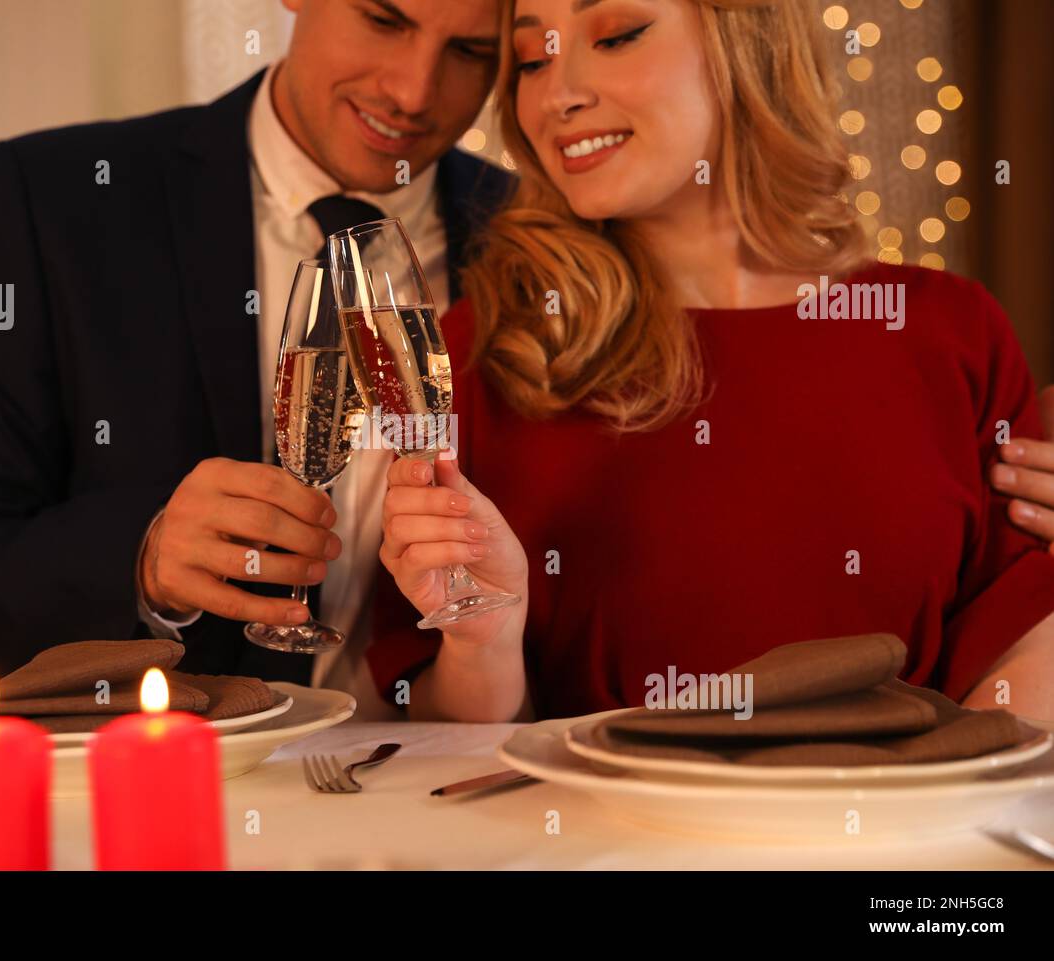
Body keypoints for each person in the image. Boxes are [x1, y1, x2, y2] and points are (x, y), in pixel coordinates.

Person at [368, 0, 1054, 722]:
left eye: (617, 36)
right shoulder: (486, 346)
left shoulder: (954, 331)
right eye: (533, 59)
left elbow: (1027, 659)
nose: (558, 93)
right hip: (594, 832)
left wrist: (927, 811)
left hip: (898, 827)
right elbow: (438, 738)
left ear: (747, 38)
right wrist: (483, 643)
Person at [0, 0, 511, 706]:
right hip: (140, 790)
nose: (413, 91)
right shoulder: (54, 199)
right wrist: (141, 558)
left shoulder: (539, 241)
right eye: (383, 20)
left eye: (470, 54)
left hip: (436, 796)